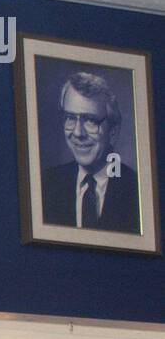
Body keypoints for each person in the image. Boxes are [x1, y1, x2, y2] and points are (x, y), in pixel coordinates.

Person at [40, 72, 140, 233]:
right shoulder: (45, 184)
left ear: (113, 130)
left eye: (90, 120)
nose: (78, 132)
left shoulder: (137, 191)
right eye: (71, 117)